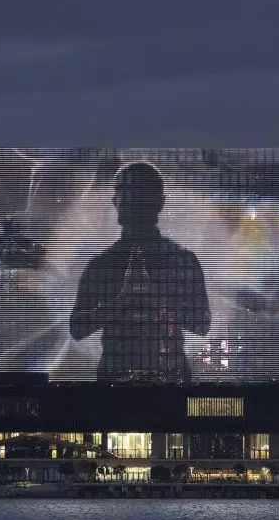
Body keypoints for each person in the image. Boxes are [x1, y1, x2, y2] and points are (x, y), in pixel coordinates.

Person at [70, 162, 210, 383]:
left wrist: (150, 299)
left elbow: (202, 324)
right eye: (126, 192)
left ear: (159, 202)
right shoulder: (181, 260)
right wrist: (124, 302)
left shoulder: (102, 264)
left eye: (141, 193)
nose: (133, 201)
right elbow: (76, 328)